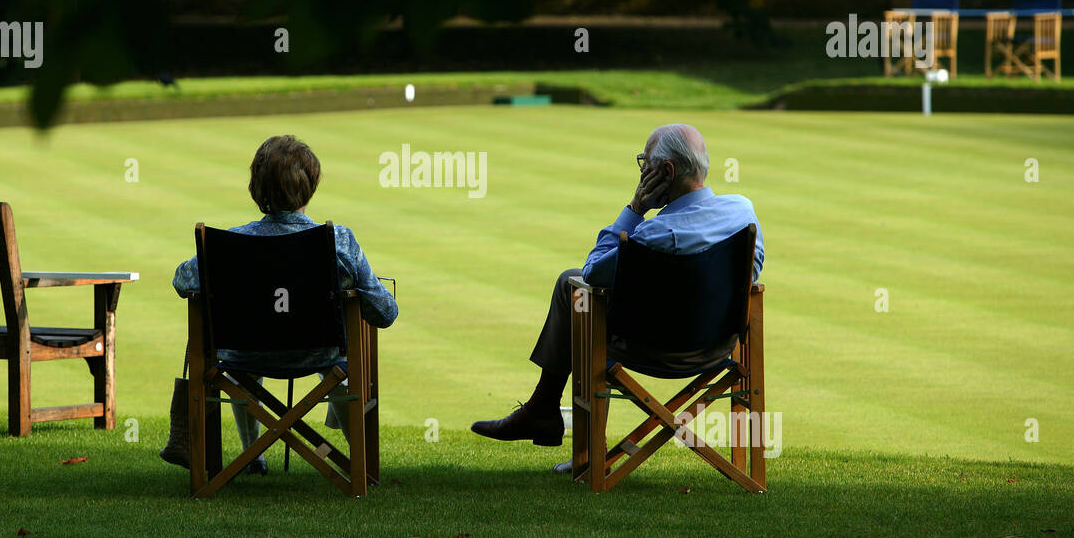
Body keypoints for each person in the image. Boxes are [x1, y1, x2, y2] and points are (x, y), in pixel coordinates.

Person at [469, 123, 764, 472]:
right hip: (721, 345)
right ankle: (544, 411)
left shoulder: (653, 233)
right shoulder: (742, 212)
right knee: (577, 289)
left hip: (655, 348)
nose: (641, 171)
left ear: (665, 171)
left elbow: (592, 271)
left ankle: (560, 427)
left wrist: (636, 207)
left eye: (645, 164)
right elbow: (752, 276)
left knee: (573, 287)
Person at [160, 134, 398, 473]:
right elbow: (385, 313)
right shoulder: (339, 242)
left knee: (244, 371)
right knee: (343, 368)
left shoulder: (229, 244)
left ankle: (252, 457)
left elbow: (182, 280)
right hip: (322, 355)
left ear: (256, 188)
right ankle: (356, 468)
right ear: (311, 185)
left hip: (243, 352)